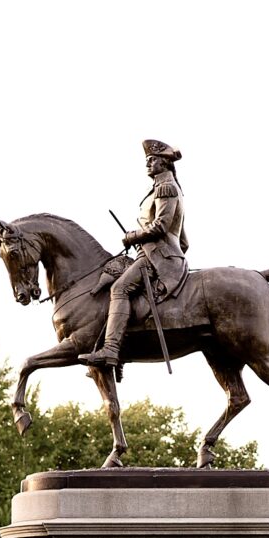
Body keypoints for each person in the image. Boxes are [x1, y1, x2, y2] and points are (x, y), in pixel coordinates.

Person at [78, 139, 189, 368]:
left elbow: (161, 225)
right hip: (155, 255)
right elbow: (184, 240)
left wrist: (134, 237)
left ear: (164, 163)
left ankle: (110, 351)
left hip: (159, 258)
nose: (148, 164)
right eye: (147, 160)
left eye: (152, 160)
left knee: (120, 288)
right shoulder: (162, 188)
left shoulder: (165, 187)